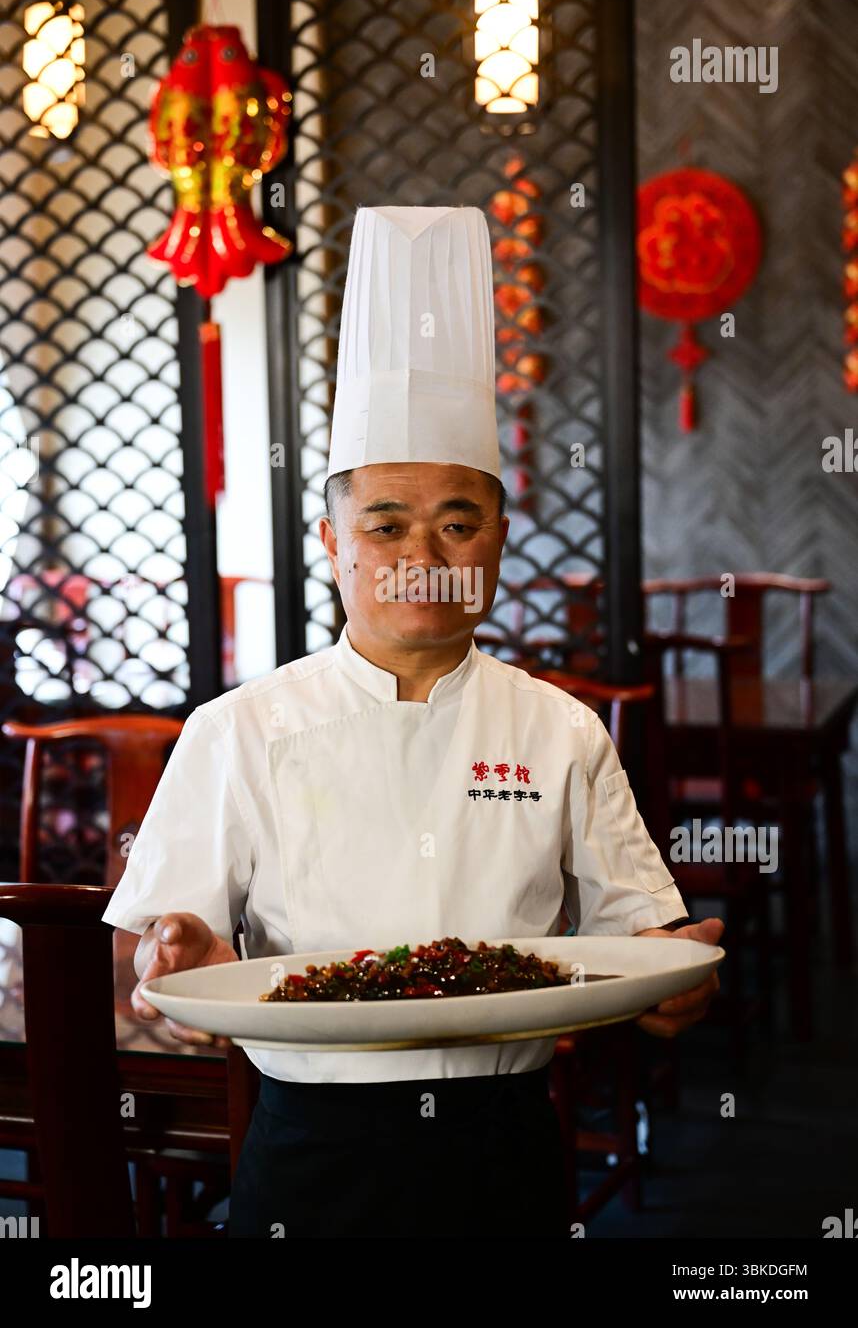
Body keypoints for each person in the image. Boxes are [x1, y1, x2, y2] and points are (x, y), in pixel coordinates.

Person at [103, 205, 722, 1239]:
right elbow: (153, 961)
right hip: (309, 1148)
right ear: (333, 540)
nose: (420, 553)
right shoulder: (240, 727)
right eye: (384, 525)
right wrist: (180, 958)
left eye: (458, 521)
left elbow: (637, 938)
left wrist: (671, 979)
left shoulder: (560, 730)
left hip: (507, 1139)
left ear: (499, 539)